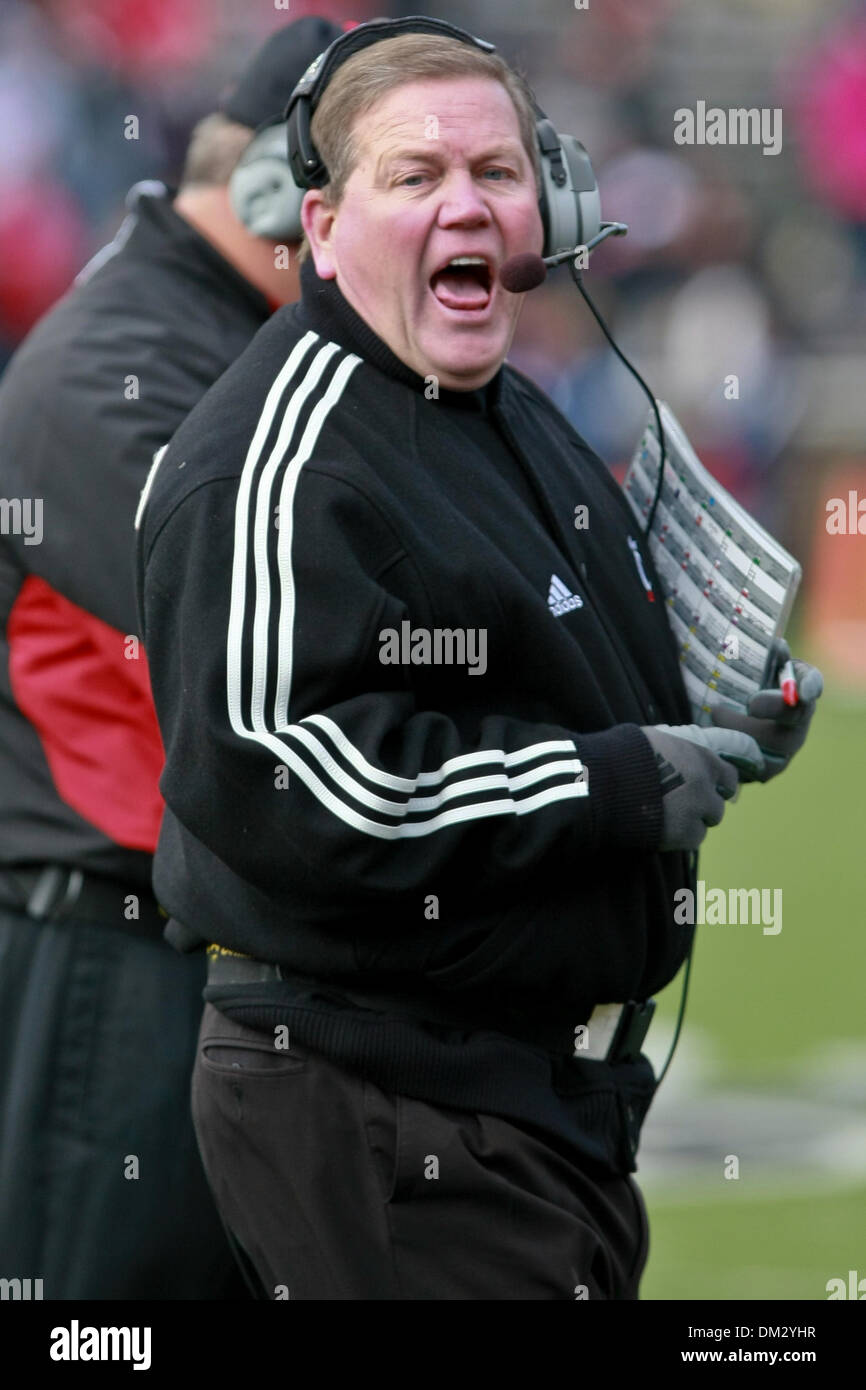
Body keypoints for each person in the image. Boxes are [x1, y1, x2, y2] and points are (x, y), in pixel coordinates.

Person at [136, 17, 823, 1301]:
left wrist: (711, 709)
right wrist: (606, 783)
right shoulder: (274, 460)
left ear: (546, 202)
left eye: (496, 173)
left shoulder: (501, 401)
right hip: (389, 1105)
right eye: (415, 177)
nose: (466, 205)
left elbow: (555, 666)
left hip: (527, 1103)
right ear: (324, 224)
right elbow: (293, 776)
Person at [0, 16, 344, 1300]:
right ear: (280, 192)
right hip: (116, 958)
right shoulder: (115, 365)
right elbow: (283, 626)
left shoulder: (219, 334)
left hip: (209, 948)